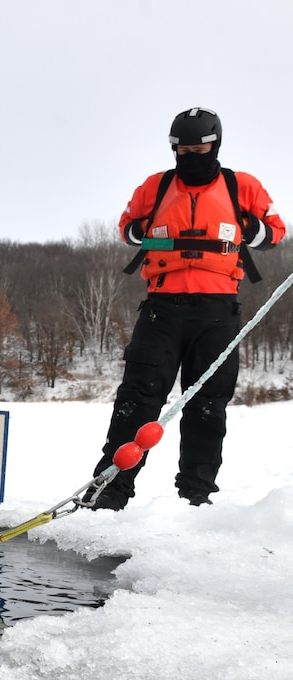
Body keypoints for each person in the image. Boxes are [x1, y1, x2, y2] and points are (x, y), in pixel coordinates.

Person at [85, 107, 285, 510]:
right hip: (162, 310)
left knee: (208, 406)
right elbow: (126, 227)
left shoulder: (241, 186)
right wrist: (141, 229)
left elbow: (274, 233)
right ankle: (109, 492)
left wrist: (249, 229)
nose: (191, 156)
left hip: (218, 312)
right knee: (137, 402)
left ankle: (195, 498)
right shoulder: (156, 187)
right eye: (183, 150)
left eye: (200, 149)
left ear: (215, 146)